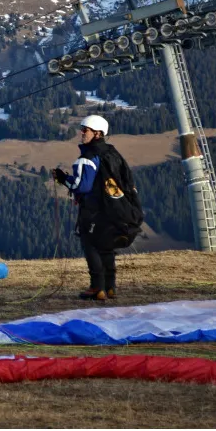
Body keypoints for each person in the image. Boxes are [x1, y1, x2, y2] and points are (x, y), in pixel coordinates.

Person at [52, 114, 135, 302]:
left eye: (85, 130)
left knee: (91, 245)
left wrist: (63, 178)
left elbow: (81, 186)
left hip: (93, 210)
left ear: (97, 133)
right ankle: (110, 287)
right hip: (113, 208)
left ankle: (97, 287)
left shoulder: (87, 157)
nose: (81, 133)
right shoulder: (113, 154)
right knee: (107, 246)